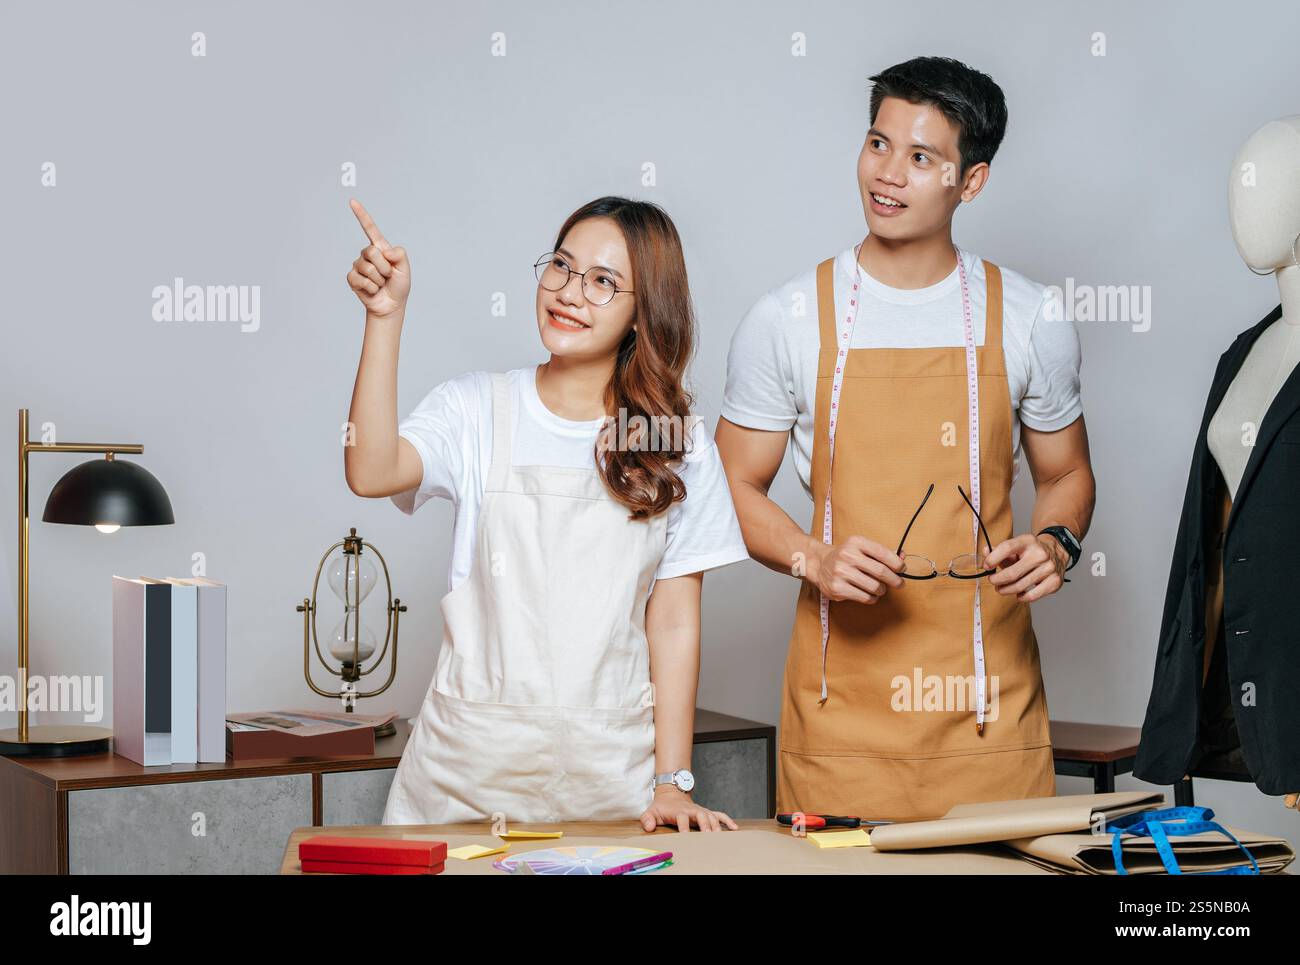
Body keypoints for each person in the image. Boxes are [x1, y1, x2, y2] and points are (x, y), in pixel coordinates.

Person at [715, 56, 1096, 822]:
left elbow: (1068, 473)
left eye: (921, 157)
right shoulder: (785, 318)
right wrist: (812, 556)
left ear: (972, 180)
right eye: (877, 144)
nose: (886, 174)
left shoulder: (1030, 316)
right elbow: (730, 487)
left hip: (990, 713)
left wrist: (1056, 542)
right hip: (839, 714)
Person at [343, 195, 747, 831]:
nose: (569, 292)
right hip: (464, 777)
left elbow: (672, 624)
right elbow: (369, 471)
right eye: (561, 265)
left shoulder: (676, 442)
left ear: (645, 315)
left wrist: (672, 784)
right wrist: (384, 318)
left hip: (610, 780)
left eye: (604, 282)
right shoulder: (476, 408)